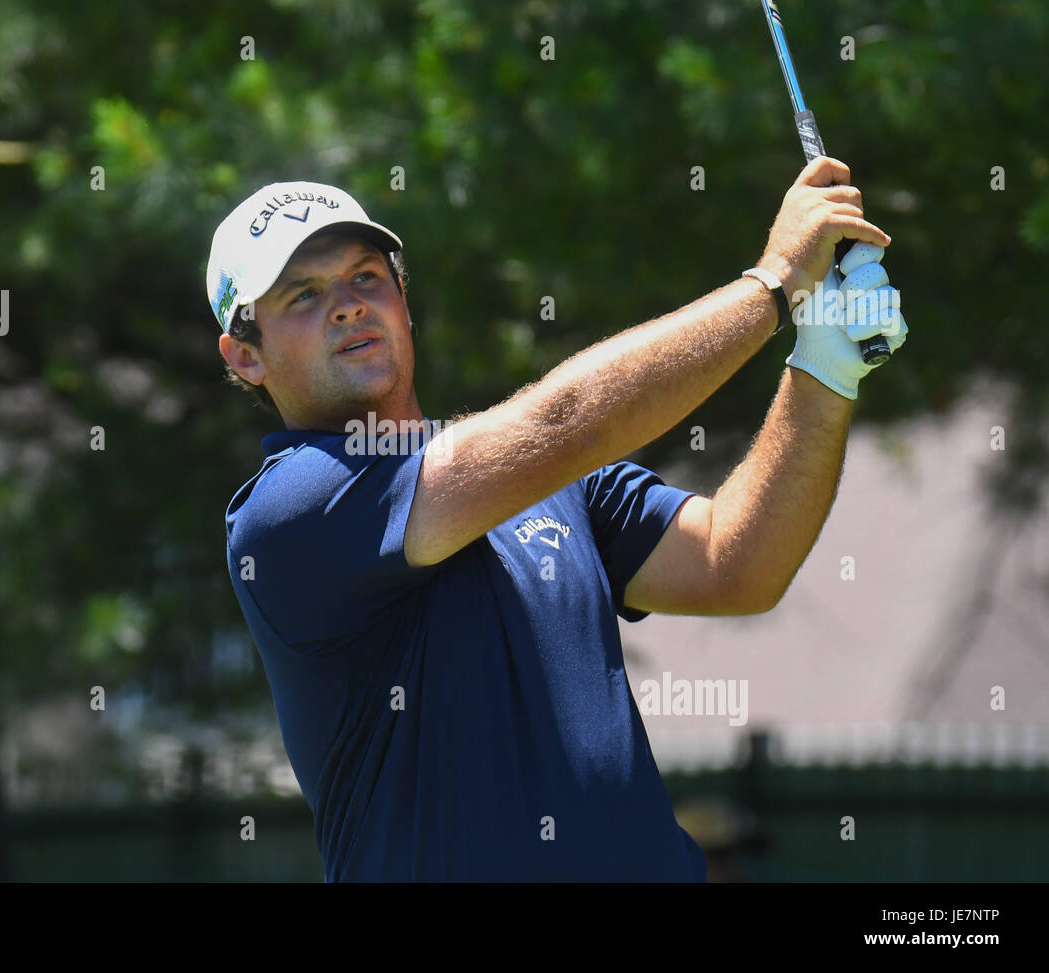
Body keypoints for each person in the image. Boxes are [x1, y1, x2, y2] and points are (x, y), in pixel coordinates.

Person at [207, 163, 906, 881]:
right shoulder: (286, 511)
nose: (348, 306)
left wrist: (825, 368)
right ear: (246, 355)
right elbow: (565, 423)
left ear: (403, 299)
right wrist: (774, 282)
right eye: (304, 294)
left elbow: (736, 563)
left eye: (365, 277)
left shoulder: (539, 478)